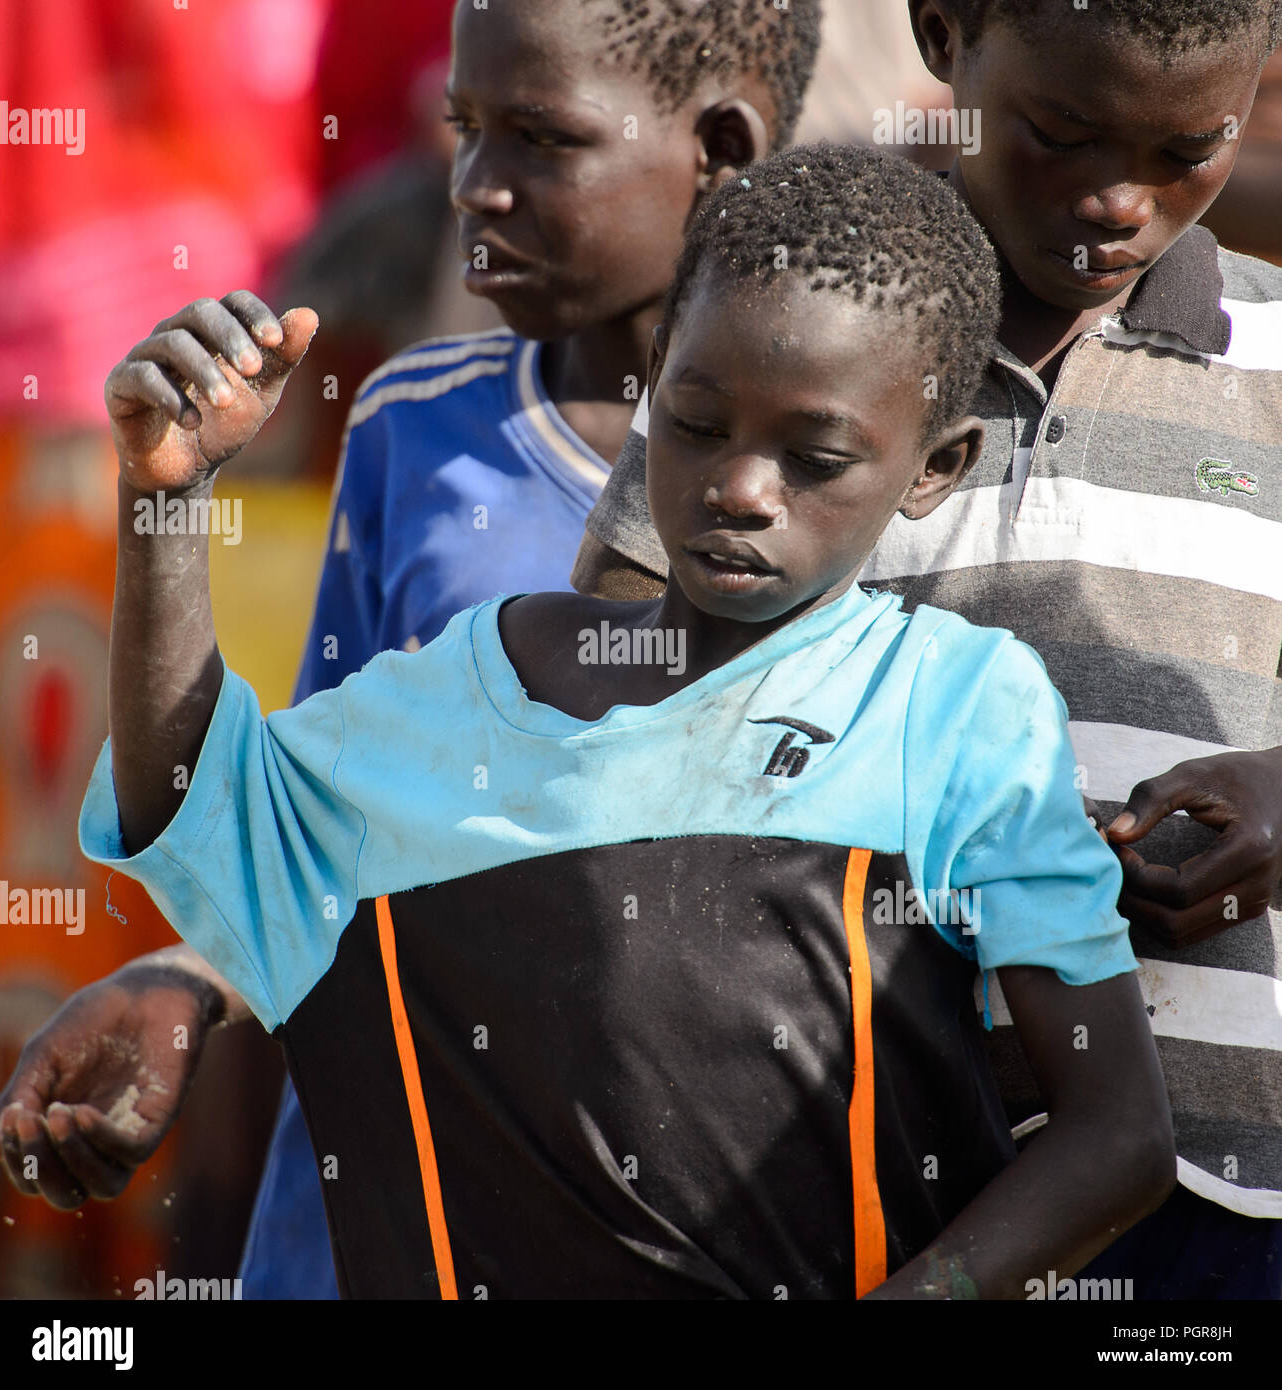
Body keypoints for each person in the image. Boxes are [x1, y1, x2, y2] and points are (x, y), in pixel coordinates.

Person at [75, 144, 1173, 1300]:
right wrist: (166, 503)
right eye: (699, 424)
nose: (742, 487)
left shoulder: (953, 710)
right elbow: (193, 806)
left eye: (814, 457)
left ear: (934, 466)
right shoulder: (456, 696)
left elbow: (1115, 1140)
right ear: (655, 388)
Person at [0, 0, 823, 1298]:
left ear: (719, 143)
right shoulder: (415, 429)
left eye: (539, 138)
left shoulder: (841, 472)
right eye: (462, 128)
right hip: (379, 1228)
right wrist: (167, 508)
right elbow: (309, 844)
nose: (473, 186)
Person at [573, 0, 1282, 1298]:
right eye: (1062, 131)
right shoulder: (785, 337)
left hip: (1231, 1185)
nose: (1119, 198)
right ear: (946, 34)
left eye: (1188, 149)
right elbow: (602, 687)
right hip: (843, 1163)